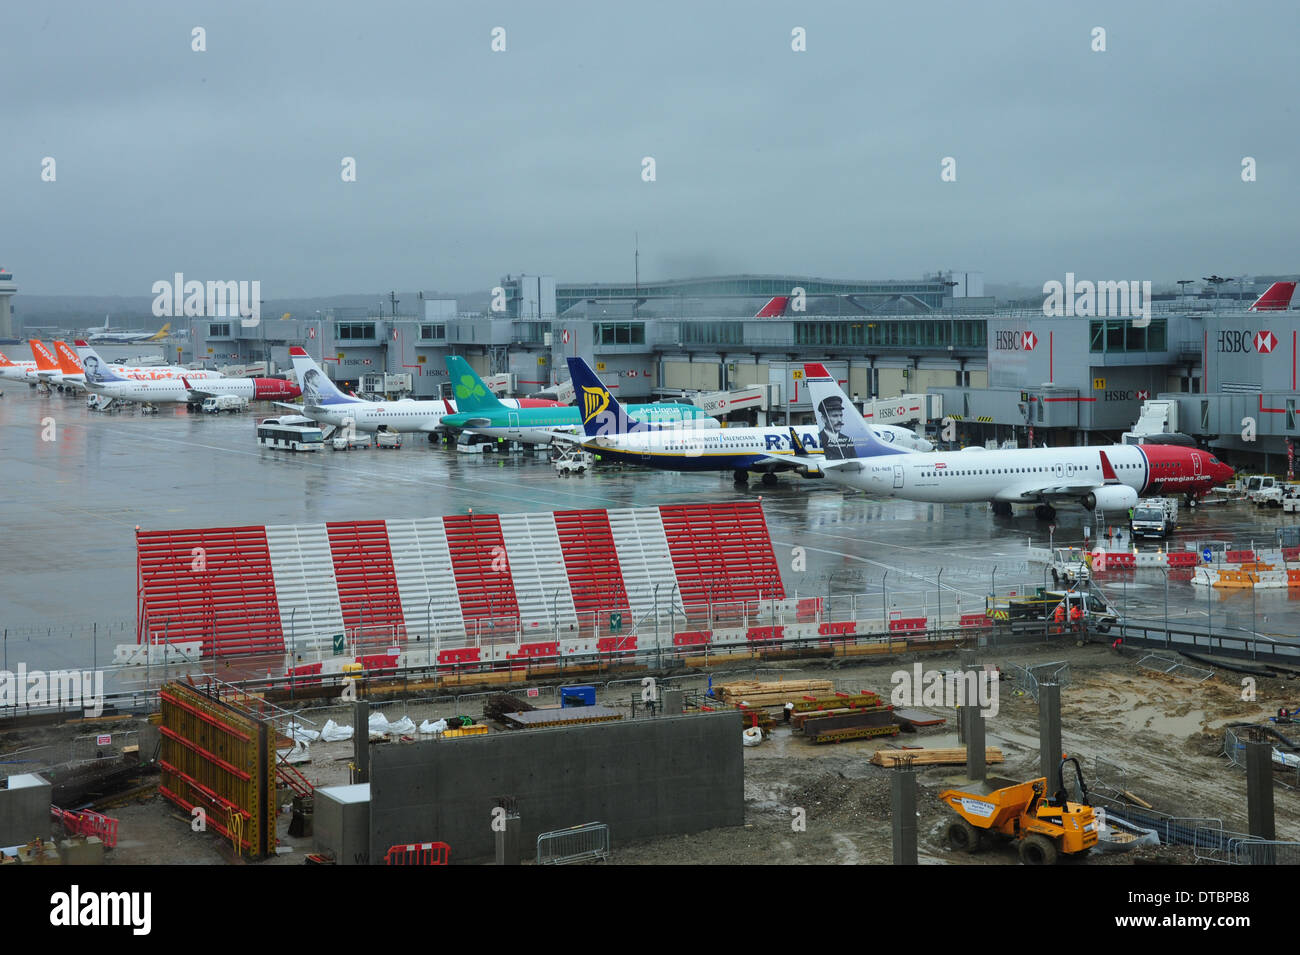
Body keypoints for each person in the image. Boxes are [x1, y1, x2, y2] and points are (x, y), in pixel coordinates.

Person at [816, 395, 858, 460]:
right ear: (824, 419)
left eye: (841, 415)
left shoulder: (847, 440)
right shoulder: (820, 439)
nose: (840, 420)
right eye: (835, 416)